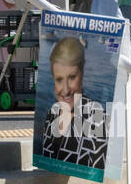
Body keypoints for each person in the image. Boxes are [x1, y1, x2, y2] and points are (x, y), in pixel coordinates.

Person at [40, 36, 107, 169]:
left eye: (71, 77)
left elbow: (96, 170)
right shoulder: (52, 113)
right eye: (59, 79)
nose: (65, 90)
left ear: (82, 74)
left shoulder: (96, 117)